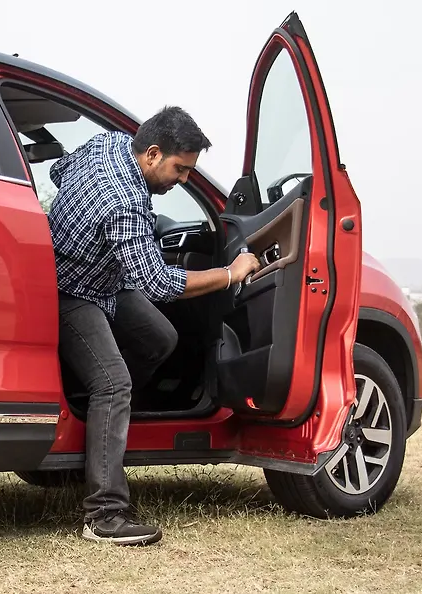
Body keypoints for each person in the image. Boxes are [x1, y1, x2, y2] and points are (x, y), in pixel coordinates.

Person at [47, 106, 261, 546]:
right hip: (70, 290)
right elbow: (158, 283)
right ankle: (104, 515)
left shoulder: (107, 144)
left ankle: (96, 431)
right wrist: (230, 273)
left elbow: (58, 170)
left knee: (160, 338)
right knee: (114, 384)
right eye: (180, 170)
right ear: (152, 154)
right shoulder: (126, 202)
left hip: (105, 276)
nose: (183, 180)